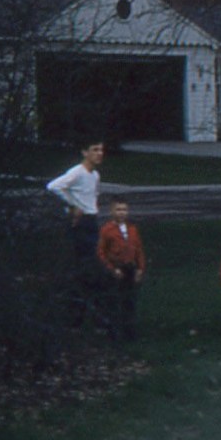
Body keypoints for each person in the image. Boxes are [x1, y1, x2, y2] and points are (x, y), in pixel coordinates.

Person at [46, 140, 105, 327]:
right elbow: (54, 186)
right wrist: (73, 205)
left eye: (101, 150)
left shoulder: (95, 175)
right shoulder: (77, 172)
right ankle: (75, 312)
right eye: (95, 150)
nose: (99, 153)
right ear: (84, 152)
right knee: (84, 265)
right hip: (81, 223)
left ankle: (92, 308)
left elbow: (93, 196)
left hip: (92, 220)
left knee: (95, 264)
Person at [95, 198, 145, 341]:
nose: (122, 213)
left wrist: (140, 268)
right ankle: (113, 333)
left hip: (130, 267)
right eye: (118, 210)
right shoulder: (106, 230)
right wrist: (111, 269)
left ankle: (130, 332)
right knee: (114, 301)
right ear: (112, 211)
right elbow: (101, 252)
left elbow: (139, 250)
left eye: (124, 210)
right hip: (116, 268)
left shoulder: (132, 229)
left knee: (129, 301)